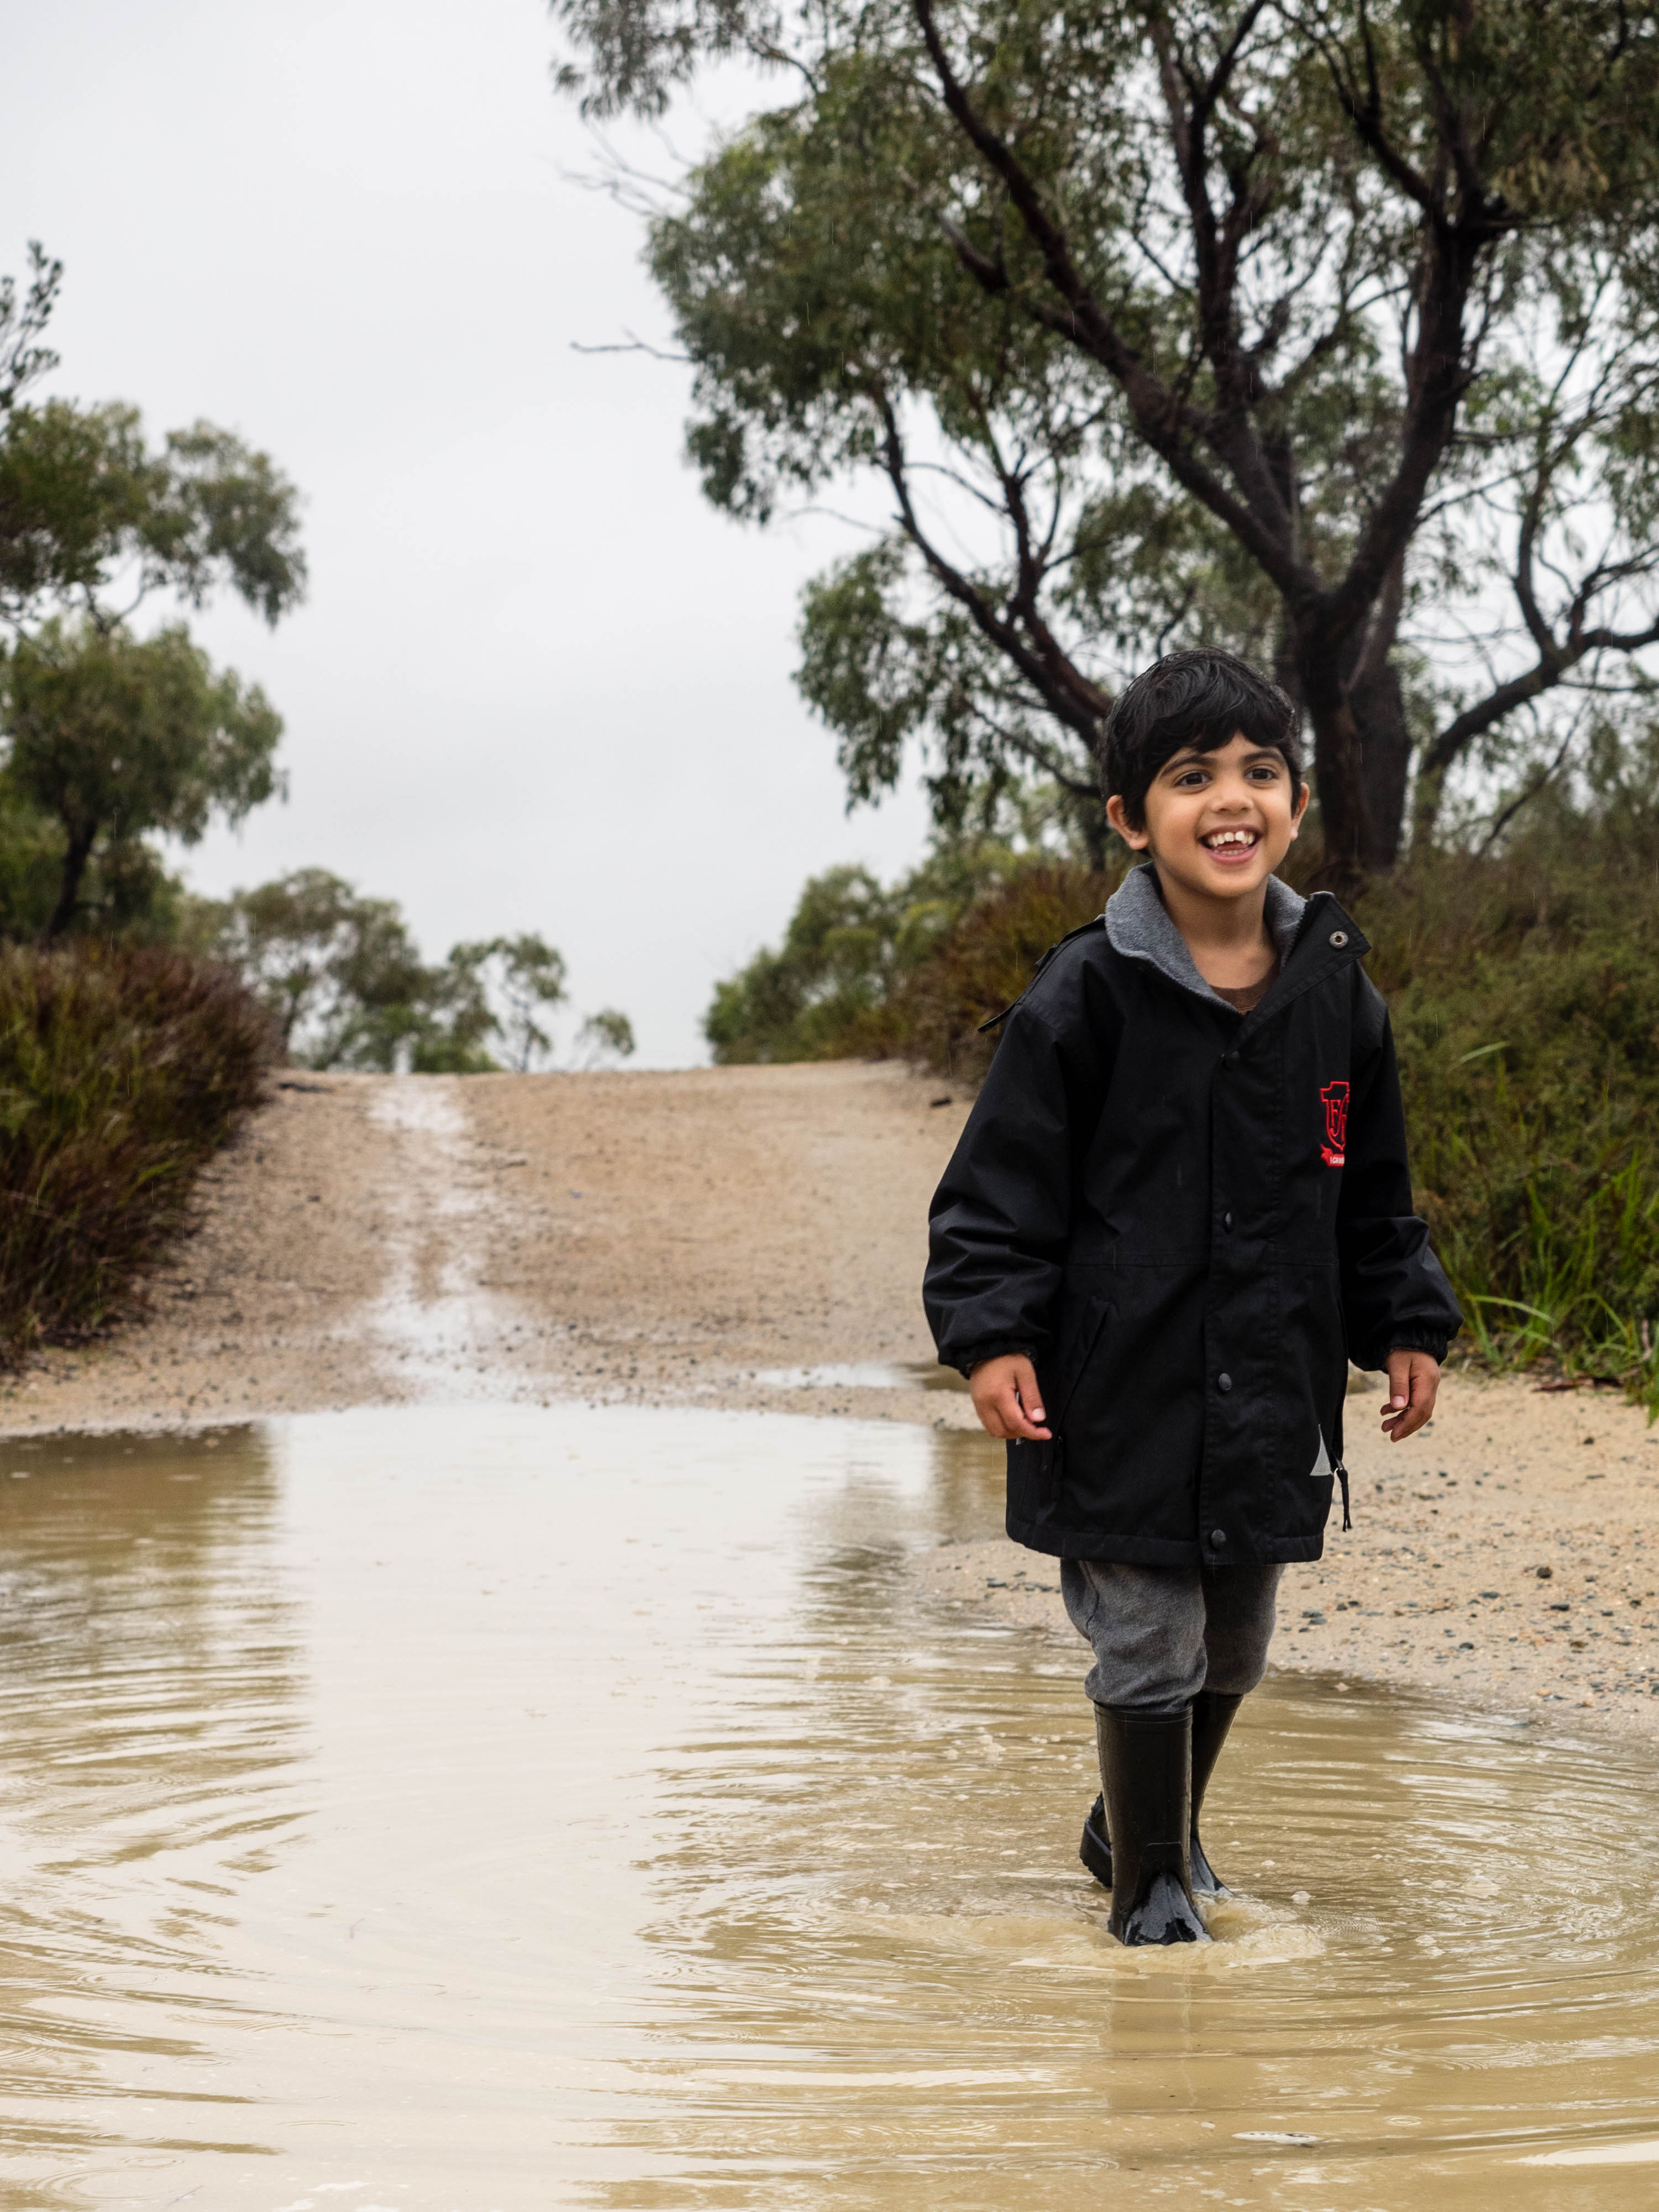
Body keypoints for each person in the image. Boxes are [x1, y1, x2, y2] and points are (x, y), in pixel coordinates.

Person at [923, 648, 1461, 1946]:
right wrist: (992, 1332)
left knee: (1236, 1646)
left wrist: (1408, 1314)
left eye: (1258, 772)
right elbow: (996, 1190)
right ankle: (1149, 1888)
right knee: (1148, 1639)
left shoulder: (1339, 992)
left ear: (1295, 798)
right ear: (1128, 817)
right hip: (1117, 1387)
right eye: (1190, 777)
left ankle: (1134, 1823)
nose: (1231, 800)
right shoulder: (1084, 991)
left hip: (1270, 1382)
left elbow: (1375, 1185)